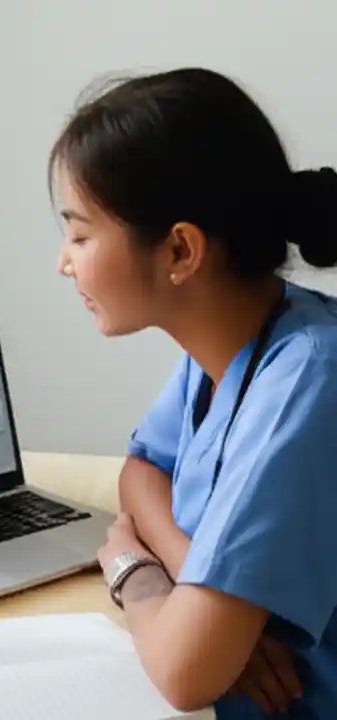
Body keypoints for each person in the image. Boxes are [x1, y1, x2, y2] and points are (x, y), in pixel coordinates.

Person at [51, 67, 337, 717]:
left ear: (180, 250)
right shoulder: (244, 336)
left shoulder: (307, 382)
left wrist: (135, 570)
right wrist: (199, 583)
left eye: (79, 234)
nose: (64, 262)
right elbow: (143, 469)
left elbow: (185, 673)